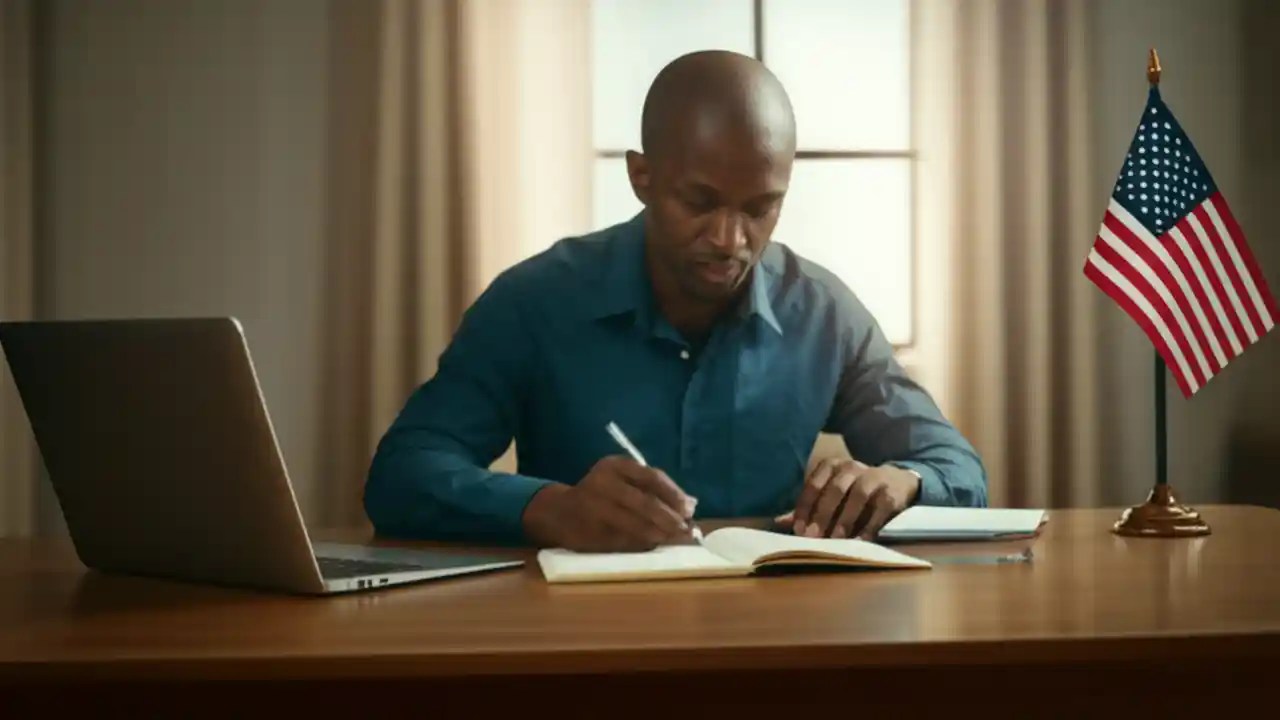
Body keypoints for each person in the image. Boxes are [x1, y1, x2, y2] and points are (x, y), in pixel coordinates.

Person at [364, 50, 986, 551]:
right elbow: (401, 473)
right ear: (642, 177)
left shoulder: (825, 315)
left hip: (774, 638)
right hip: (579, 640)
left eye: (759, 208)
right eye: (700, 202)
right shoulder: (533, 303)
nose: (730, 240)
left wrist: (902, 481)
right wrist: (548, 508)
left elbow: (957, 469)